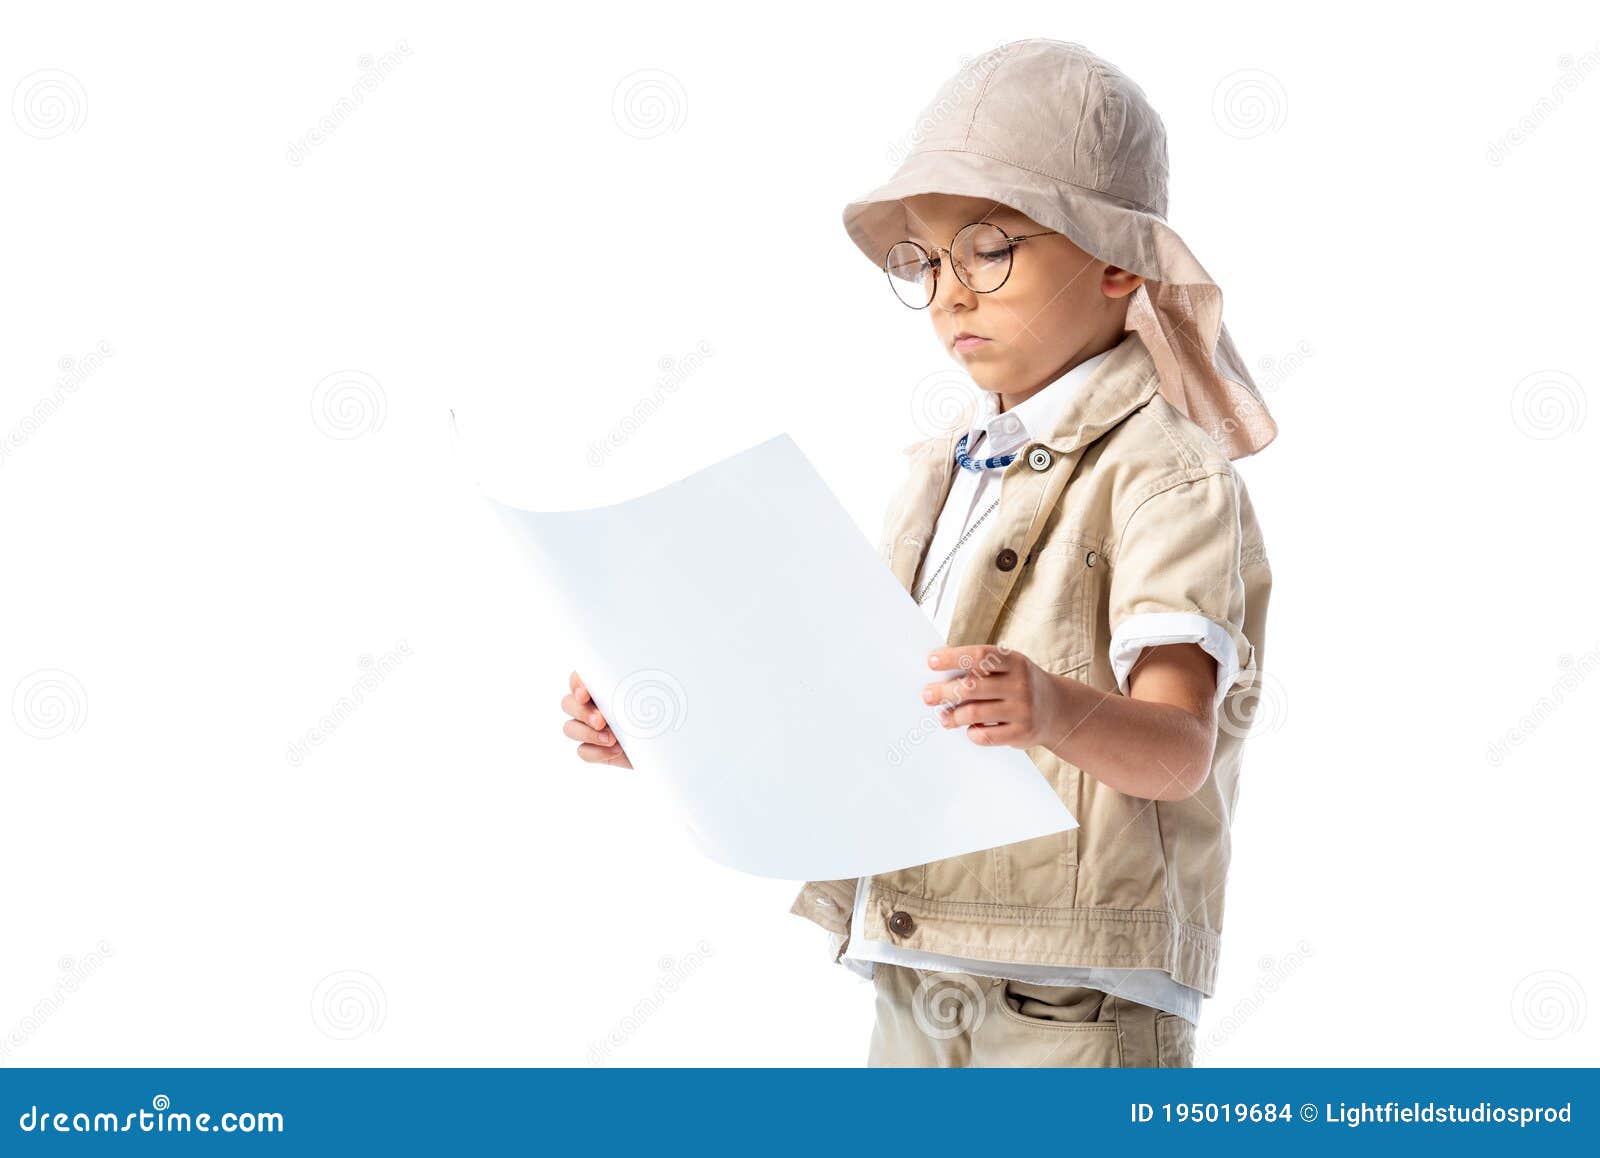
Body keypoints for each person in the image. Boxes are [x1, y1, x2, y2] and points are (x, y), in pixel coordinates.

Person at [561, 38, 1277, 1067]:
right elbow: (867, 719)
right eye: (925, 261)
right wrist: (670, 726)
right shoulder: (943, 470)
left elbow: (1177, 749)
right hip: (917, 965)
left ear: (1118, 256)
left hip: (1072, 1006)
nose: (950, 292)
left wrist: (1054, 707)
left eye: (990, 248)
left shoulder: (1164, 474)